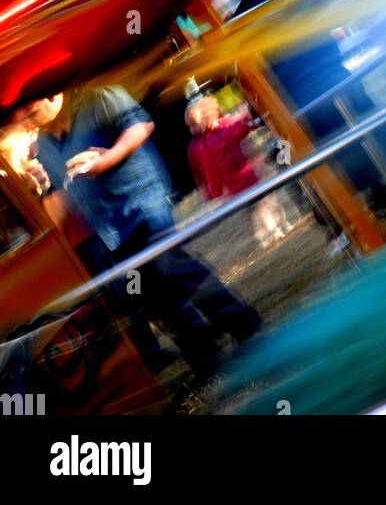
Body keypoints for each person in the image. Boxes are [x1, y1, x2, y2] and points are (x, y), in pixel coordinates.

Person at [14, 86, 262, 383]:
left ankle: (244, 323)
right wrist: (36, 197)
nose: (23, 118)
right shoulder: (43, 145)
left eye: (28, 111)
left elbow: (140, 126)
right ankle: (204, 354)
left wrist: (108, 158)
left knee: (168, 265)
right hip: (108, 226)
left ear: (49, 95)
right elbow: (61, 197)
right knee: (149, 293)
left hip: (143, 200)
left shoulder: (98, 96)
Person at [185, 95, 292, 249]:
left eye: (196, 123)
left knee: (267, 202)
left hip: (248, 175)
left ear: (210, 115)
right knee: (254, 211)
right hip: (232, 185)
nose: (194, 128)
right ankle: (268, 235)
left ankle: (280, 225)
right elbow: (201, 172)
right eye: (191, 126)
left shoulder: (224, 126)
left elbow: (241, 126)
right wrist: (211, 191)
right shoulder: (195, 147)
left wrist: (250, 119)